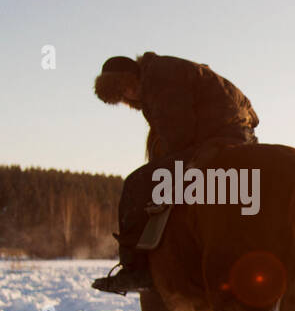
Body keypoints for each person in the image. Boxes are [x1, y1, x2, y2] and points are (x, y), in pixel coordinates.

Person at [91, 53, 260, 294]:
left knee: (136, 184)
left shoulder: (159, 77)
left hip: (218, 137)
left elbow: (178, 133)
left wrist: (164, 162)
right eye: (122, 95)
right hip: (239, 134)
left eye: (125, 87)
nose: (129, 95)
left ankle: (135, 269)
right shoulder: (170, 72)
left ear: (132, 76)